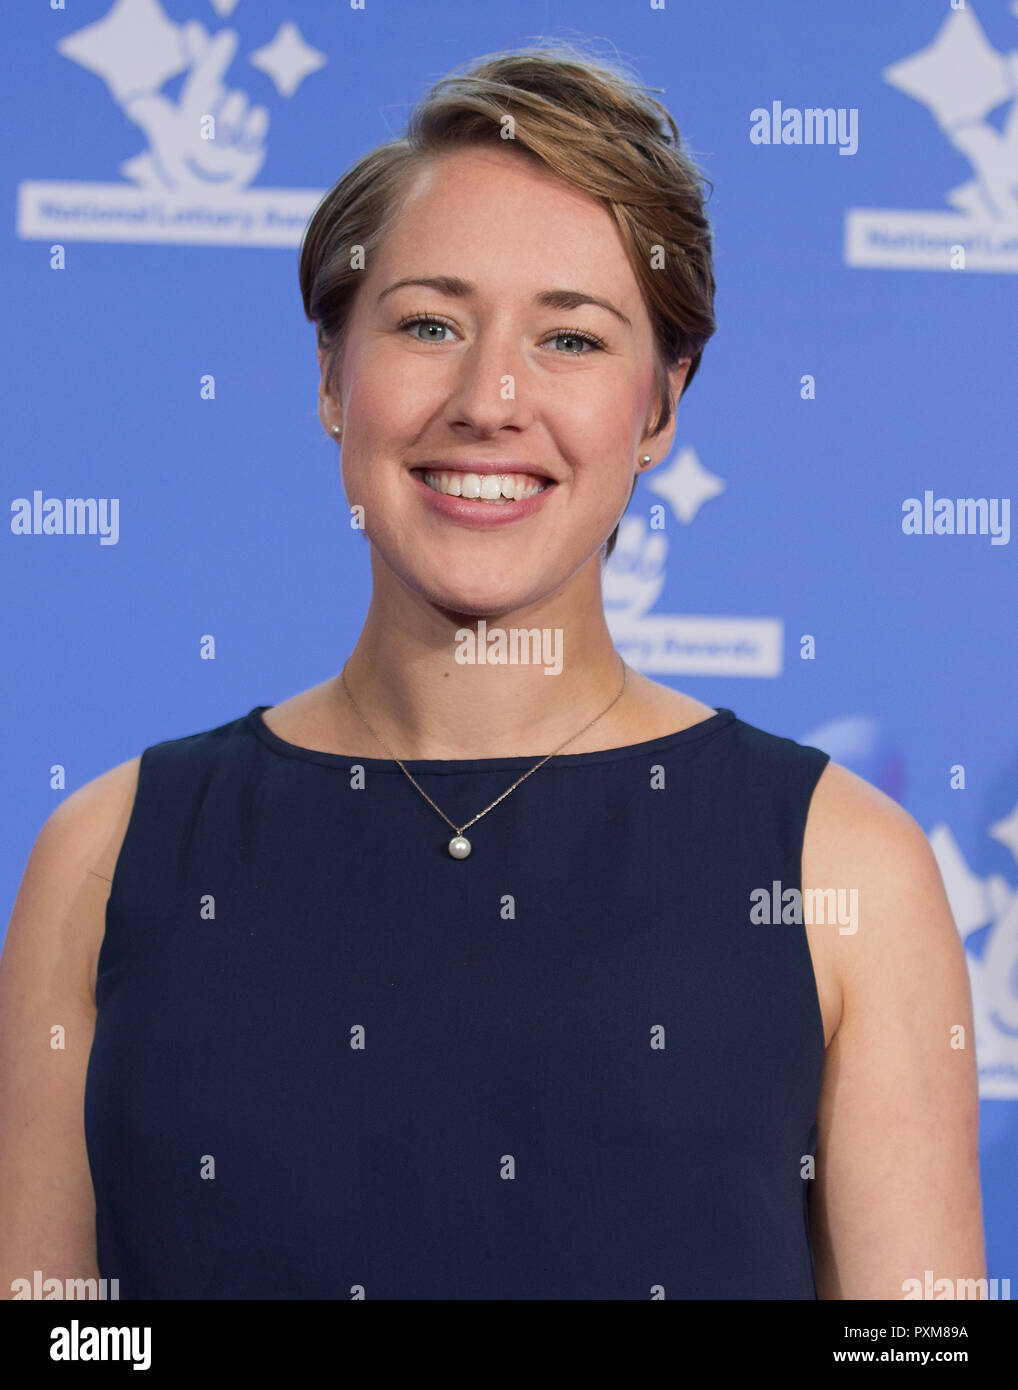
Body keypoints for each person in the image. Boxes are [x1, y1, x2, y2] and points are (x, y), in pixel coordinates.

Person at [1, 43, 984, 1301]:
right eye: (428, 324)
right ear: (328, 376)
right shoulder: (108, 852)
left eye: (570, 340)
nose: (490, 398)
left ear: (660, 408)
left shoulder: (842, 868)